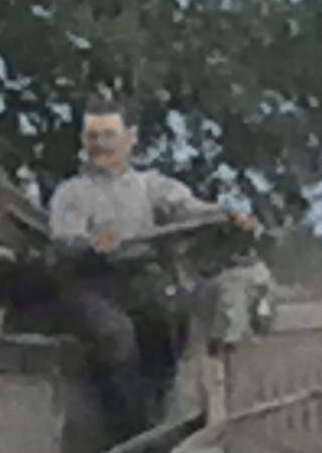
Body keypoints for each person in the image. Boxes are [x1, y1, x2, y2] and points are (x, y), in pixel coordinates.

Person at [45, 96, 257, 434]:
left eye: (108, 135)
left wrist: (227, 216)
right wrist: (92, 244)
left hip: (141, 281)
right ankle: (130, 432)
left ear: (131, 138)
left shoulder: (151, 187)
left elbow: (189, 208)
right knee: (116, 336)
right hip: (90, 286)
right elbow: (64, 239)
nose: (100, 145)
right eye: (92, 136)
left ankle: (170, 413)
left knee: (176, 321)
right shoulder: (72, 193)